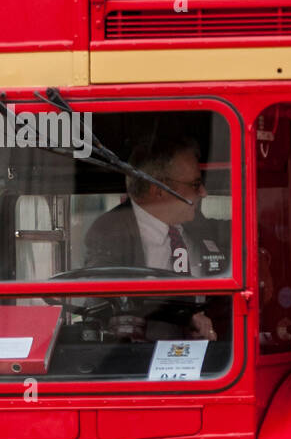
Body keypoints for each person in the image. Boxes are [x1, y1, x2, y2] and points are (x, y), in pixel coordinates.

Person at [85, 136, 229, 342]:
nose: (204, 193)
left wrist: (262, 255)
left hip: (214, 362)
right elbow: (103, 301)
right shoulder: (111, 230)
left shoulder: (196, 223)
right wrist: (182, 315)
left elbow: (237, 232)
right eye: (196, 184)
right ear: (159, 189)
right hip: (142, 360)